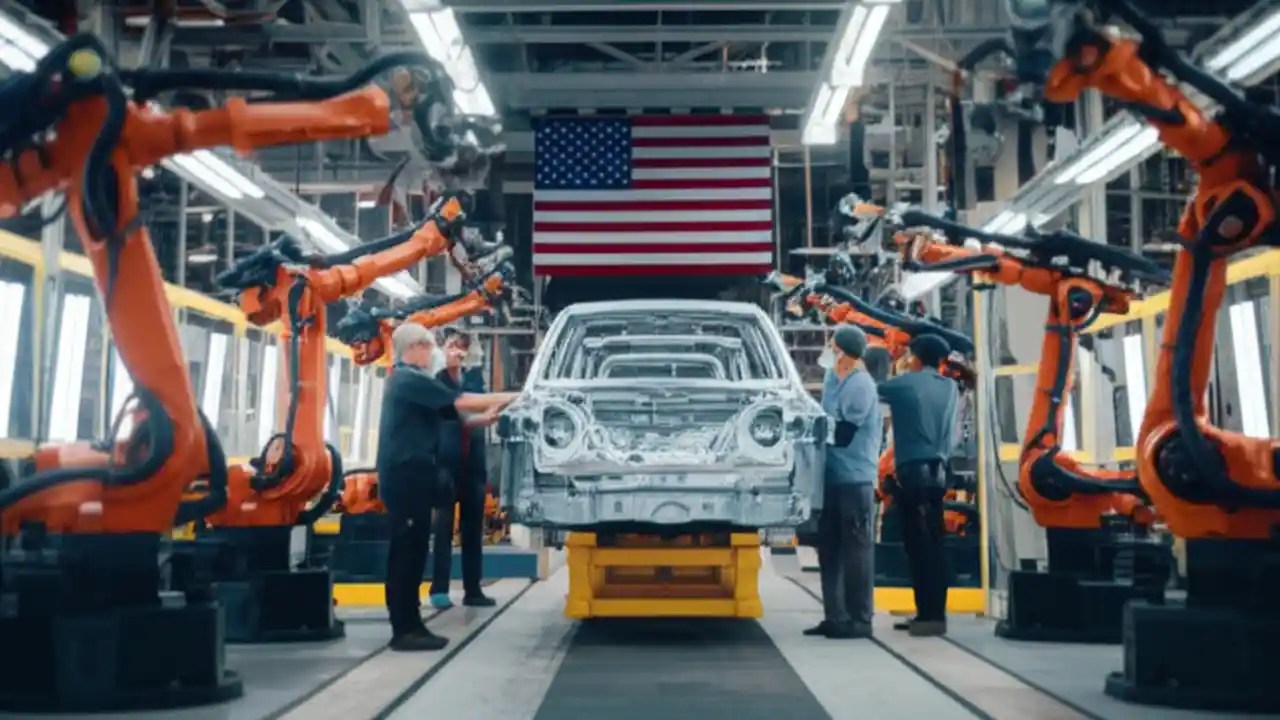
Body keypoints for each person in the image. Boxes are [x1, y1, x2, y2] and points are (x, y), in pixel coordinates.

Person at [376, 323, 517, 651]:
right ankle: (405, 629)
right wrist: (518, 395)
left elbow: (453, 416)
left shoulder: (412, 382)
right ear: (412, 348)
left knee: (409, 552)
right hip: (407, 477)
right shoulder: (408, 379)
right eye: (428, 345)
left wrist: (488, 417)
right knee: (407, 555)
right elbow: (462, 401)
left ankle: (410, 624)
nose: (433, 351)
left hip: (412, 477)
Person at [877, 334, 960, 637]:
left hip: (913, 471)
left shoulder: (907, 383)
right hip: (939, 472)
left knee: (917, 546)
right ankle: (932, 613)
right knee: (935, 544)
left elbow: (874, 391)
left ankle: (929, 617)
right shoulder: (950, 387)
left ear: (915, 357)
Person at [806, 325, 882, 640]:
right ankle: (835, 616)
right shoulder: (832, 378)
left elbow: (844, 434)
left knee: (856, 551)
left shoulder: (860, 384)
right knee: (830, 549)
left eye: (831, 344)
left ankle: (860, 619)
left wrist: (811, 428)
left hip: (855, 479)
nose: (828, 348)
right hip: (832, 477)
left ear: (842, 349)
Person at [428, 328, 498, 610]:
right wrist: (482, 417)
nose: (457, 351)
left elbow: (480, 406)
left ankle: (473, 589)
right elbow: (457, 414)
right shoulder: (435, 382)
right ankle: (439, 589)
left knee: (473, 529)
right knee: (442, 528)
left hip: (474, 464)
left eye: (461, 347)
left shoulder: (473, 379)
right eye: (451, 346)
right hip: (445, 463)